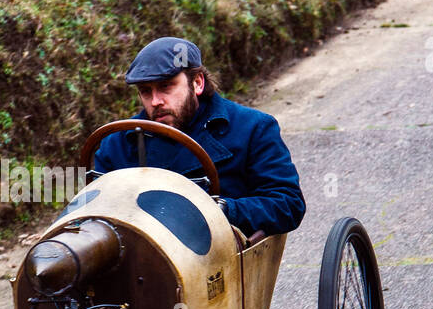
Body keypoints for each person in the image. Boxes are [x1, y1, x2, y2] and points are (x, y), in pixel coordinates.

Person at [93, 36, 306, 238]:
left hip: (219, 260)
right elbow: (93, 209)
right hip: (139, 260)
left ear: (197, 83)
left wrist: (221, 210)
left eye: (166, 86)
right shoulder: (118, 142)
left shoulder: (252, 128)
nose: (156, 101)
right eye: (146, 91)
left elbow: (288, 203)